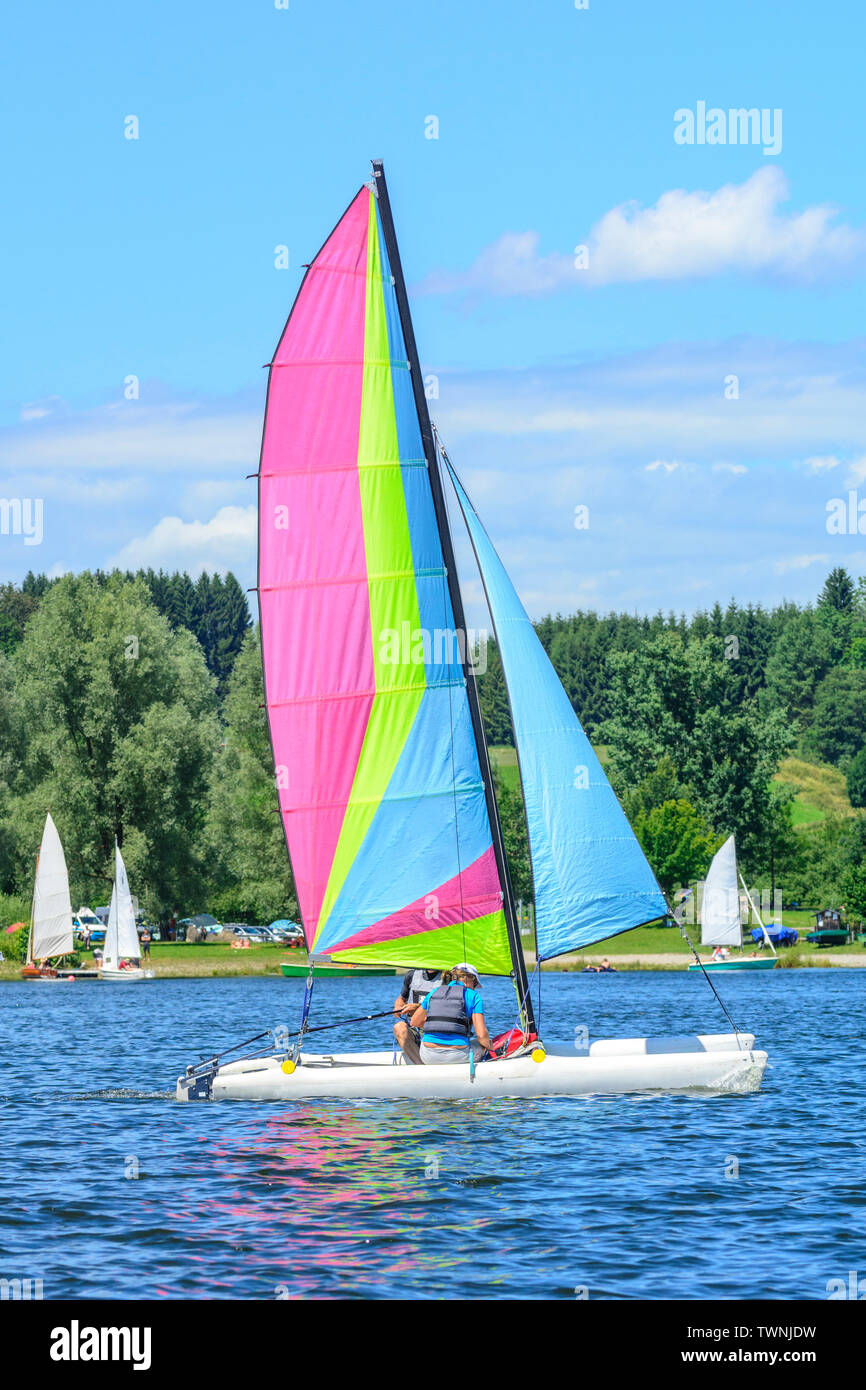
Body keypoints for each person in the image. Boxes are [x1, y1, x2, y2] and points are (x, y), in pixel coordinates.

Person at [410, 963, 493, 1065]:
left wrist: (439, 1025)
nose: (474, 988)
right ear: (472, 980)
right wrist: (491, 1048)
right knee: (484, 1044)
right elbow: (481, 1035)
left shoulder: (434, 992)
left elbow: (414, 1021)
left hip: (428, 1056)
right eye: (475, 985)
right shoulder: (474, 996)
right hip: (459, 1056)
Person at [393, 966, 443, 1064]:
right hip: (414, 1029)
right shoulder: (411, 975)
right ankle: (421, 1066)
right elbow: (401, 999)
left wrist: (418, 1008)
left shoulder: (447, 977)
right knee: (399, 1027)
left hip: (436, 1029)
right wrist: (398, 1007)